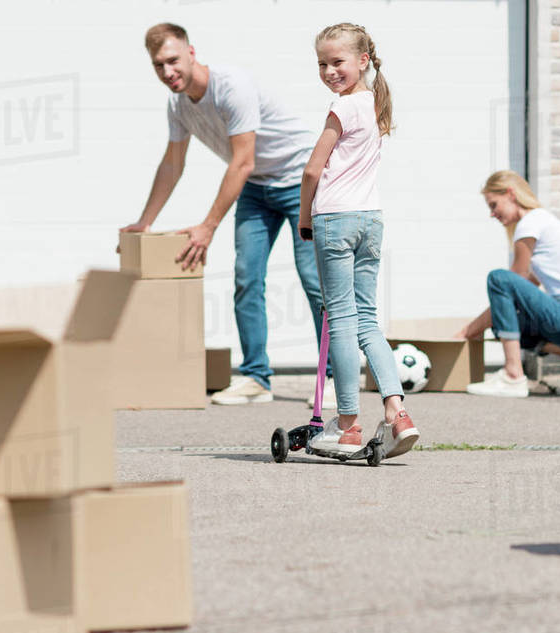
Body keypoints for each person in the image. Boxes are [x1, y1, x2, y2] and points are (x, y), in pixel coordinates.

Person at [122, 23, 332, 406]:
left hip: (301, 180)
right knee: (246, 278)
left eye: (173, 61)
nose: (168, 72)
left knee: (313, 280)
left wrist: (208, 227)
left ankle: (333, 377)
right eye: (158, 66)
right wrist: (145, 220)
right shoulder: (179, 105)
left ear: (191, 52)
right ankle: (256, 378)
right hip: (258, 188)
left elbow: (242, 161)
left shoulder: (231, 86)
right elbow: (173, 163)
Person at [299, 23, 419, 459]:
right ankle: (396, 411)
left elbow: (313, 170)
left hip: (334, 217)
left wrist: (303, 219)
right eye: (322, 64)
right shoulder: (375, 103)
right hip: (371, 220)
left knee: (343, 321)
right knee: (368, 319)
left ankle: (348, 424)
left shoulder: (342, 108)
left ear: (363, 61)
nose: (329, 71)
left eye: (337, 62)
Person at [457, 170, 560, 398]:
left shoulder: (530, 223)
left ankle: (512, 376)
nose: (492, 214)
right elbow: (526, 286)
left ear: (511, 194)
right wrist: (477, 328)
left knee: (499, 278)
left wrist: (467, 331)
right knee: (505, 321)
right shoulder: (545, 222)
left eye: (494, 205)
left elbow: (511, 281)